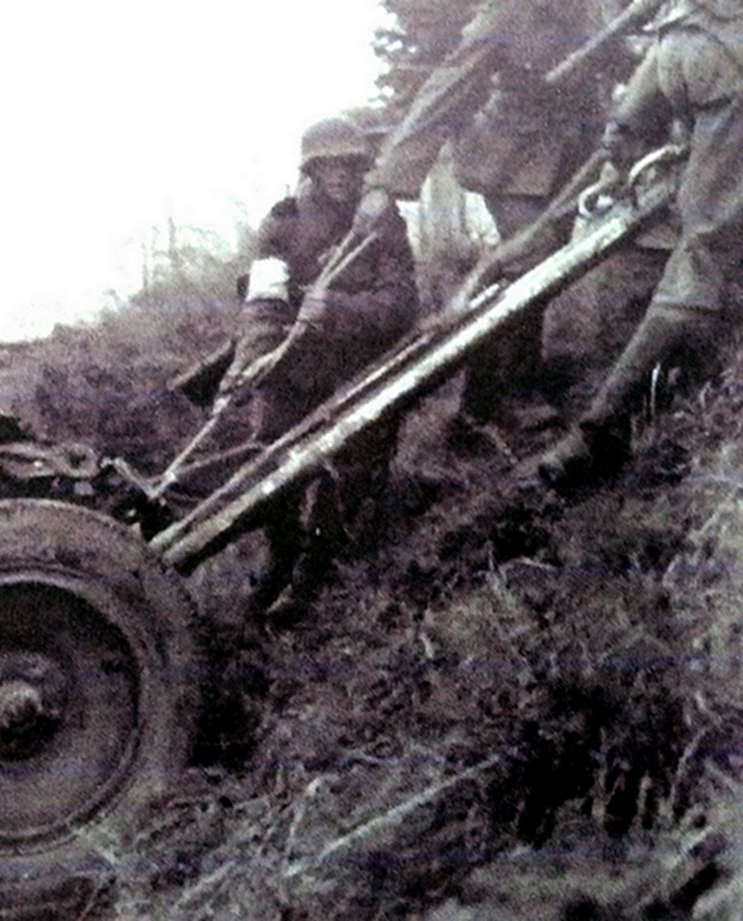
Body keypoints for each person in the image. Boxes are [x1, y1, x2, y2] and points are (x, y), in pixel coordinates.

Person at [350, 0, 624, 436]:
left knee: (540, 266)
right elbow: (447, 90)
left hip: (568, 156)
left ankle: (479, 400)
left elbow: (618, 56)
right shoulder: (504, 14)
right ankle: (514, 393)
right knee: (528, 265)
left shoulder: (590, 8)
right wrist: (390, 181)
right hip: (511, 159)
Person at [220, 110, 420, 619]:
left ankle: (314, 571)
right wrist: (250, 366)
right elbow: (263, 307)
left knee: (345, 464)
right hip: (294, 365)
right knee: (269, 455)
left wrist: (338, 311)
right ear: (311, 170)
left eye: (351, 167)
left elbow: (401, 306)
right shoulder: (282, 224)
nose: (342, 177)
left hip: (358, 365)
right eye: (330, 167)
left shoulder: (380, 222)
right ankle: (282, 556)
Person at [537, 0, 743, 488]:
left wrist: (626, 124)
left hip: (684, 42)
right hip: (728, 65)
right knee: (705, 257)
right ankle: (595, 434)